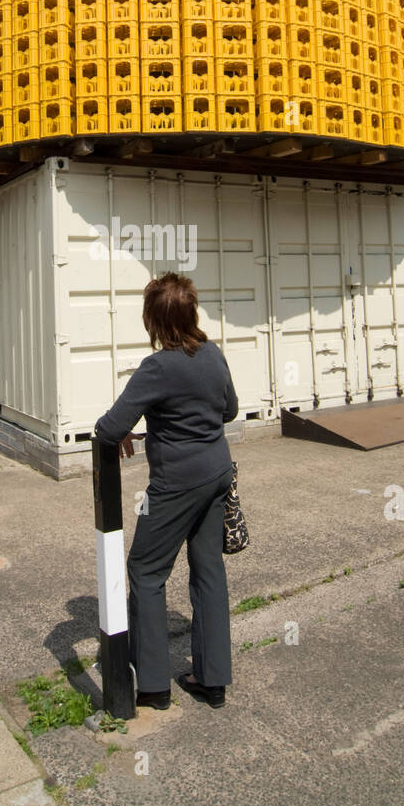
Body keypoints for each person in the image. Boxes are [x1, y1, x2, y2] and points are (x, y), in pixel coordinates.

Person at [94, 272, 239, 711]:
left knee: (146, 570)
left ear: (152, 320)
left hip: (176, 483)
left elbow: (109, 427)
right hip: (217, 472)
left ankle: (153, 684)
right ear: (192, 312)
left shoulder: (157, 366)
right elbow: (228, 411)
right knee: (208, 570)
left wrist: (126, 433)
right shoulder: (213, 354)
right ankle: (212, 680)